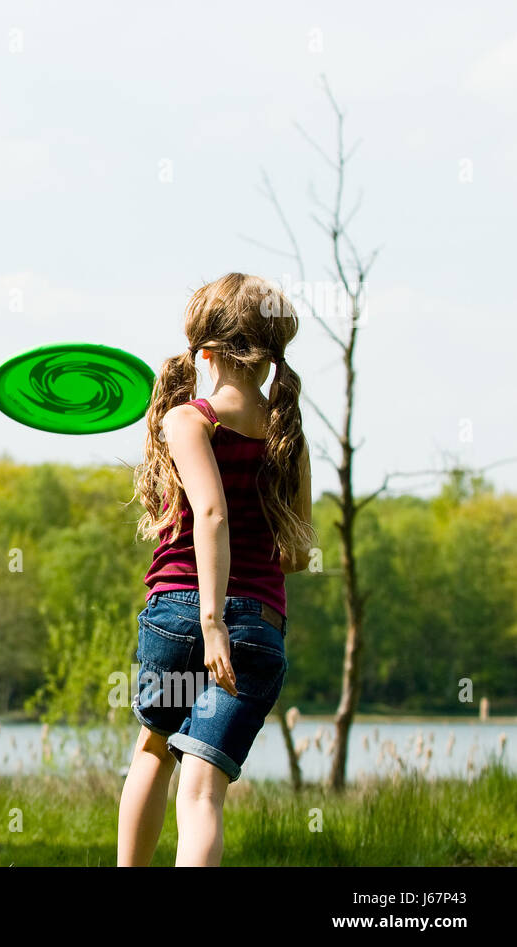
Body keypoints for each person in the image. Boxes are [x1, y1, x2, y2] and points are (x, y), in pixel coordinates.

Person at [118, 273, 315, 866]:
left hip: (183, 616)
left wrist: (210, 622)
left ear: (205, 352)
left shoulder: (189, 420)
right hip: (258, 630)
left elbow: (210, 513)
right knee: (203, 793)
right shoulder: (289, 435)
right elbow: (299, 553)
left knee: (153, 751)